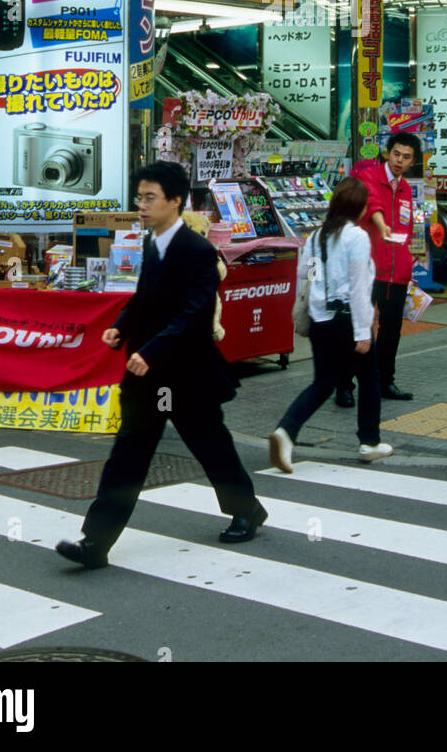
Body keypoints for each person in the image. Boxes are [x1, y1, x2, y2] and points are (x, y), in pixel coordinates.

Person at [56, 161, 266, 569]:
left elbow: (193, 314)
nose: (141, 205)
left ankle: (247, 510)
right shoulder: (152, 244)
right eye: (139, 197)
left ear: (175, 201)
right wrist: (121, 327)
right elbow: (145, 299)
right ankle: (95, 542)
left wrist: (150, 350)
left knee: (211, 446)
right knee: (128, 455)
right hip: (147, 375)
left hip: (187, 373)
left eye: (150, 198)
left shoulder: (200, 252)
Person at [269, 177, 392, 471]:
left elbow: (306, 275)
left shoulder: (316, 237)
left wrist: (319, 302)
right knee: (370, 378)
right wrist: (364, 332)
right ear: (360, 208)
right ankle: (369, 442)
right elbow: (359, 287)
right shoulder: (357, 237)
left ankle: (286, 431)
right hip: (349, 320)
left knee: (323, 382)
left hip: (320, 319)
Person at [355, 132, 421, 401]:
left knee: (391, 328)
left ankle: (385, 382)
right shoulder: (369, 176)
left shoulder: (406, 188)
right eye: (396, 154)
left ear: (412, 161)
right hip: (367, 267)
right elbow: (373, 205)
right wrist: (382, 226)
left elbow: (407, 229)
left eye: (406, 157)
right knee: (358, 325)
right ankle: (345, 385)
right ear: (387, 152)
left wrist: (409, 264)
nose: (399, 161)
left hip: (397, 271)